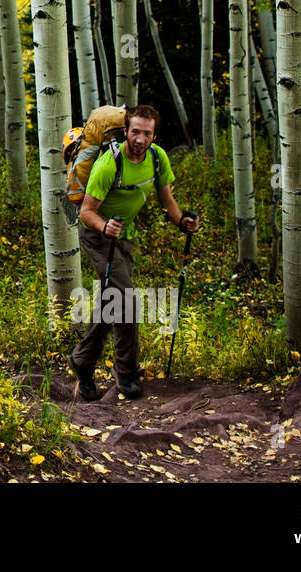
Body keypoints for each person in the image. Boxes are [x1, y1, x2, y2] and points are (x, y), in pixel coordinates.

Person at [68, 104, 200, 401]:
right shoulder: (109, 163)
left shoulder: (156, 158)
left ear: (154, 136)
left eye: (147, 133)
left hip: (124, 237)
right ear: (126, 131)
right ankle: (125, 371)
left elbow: (167, 198)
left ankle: (82, 361)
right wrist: (104, 228)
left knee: (111, 300)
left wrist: (181, 221)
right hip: (97, 236)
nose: (141, 139)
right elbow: (86, 213)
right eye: (135, 132)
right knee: (126, 298)